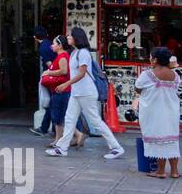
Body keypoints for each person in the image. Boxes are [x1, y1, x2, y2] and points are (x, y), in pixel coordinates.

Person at [46, 27, 125, 159]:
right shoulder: (75, 53)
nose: (68, 38)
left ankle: (116, 147)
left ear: (76, 38)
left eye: (70, 36)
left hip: (86, 93)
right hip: (78, 92)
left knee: (95, 121)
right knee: (70, 119)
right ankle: (62, 148)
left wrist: (66, 84)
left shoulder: (83, 53)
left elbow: (82, 73)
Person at [135, 47, 182, 179]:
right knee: (172, 140)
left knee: (158, 140)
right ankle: (174, 171)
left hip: (154, 112)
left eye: (151, 57)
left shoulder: (147, 75)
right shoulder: (175, 75)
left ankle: (160, 171)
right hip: (171, 111)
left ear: (155, 59)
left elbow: (138, 88)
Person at [41, 35, 83, 149]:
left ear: (59, 45)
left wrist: (49, 73)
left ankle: (77, 135)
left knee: (60, 116)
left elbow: (64, 71)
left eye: (54, 43)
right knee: (59, 116)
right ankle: (59, 139)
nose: (52, 46)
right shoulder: (60, 55)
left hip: (62, 90)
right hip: (59, 89)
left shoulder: (63, 56)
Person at [29, 25, 54, 137]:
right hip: (56, 77)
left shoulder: (42, 48)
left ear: (35, 37)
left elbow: (50, 65)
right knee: (52, 103)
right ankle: (49, 128)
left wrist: (48, 75)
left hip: (52, 77)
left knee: (52, 103)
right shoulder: (50, 43)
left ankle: (47, 128)